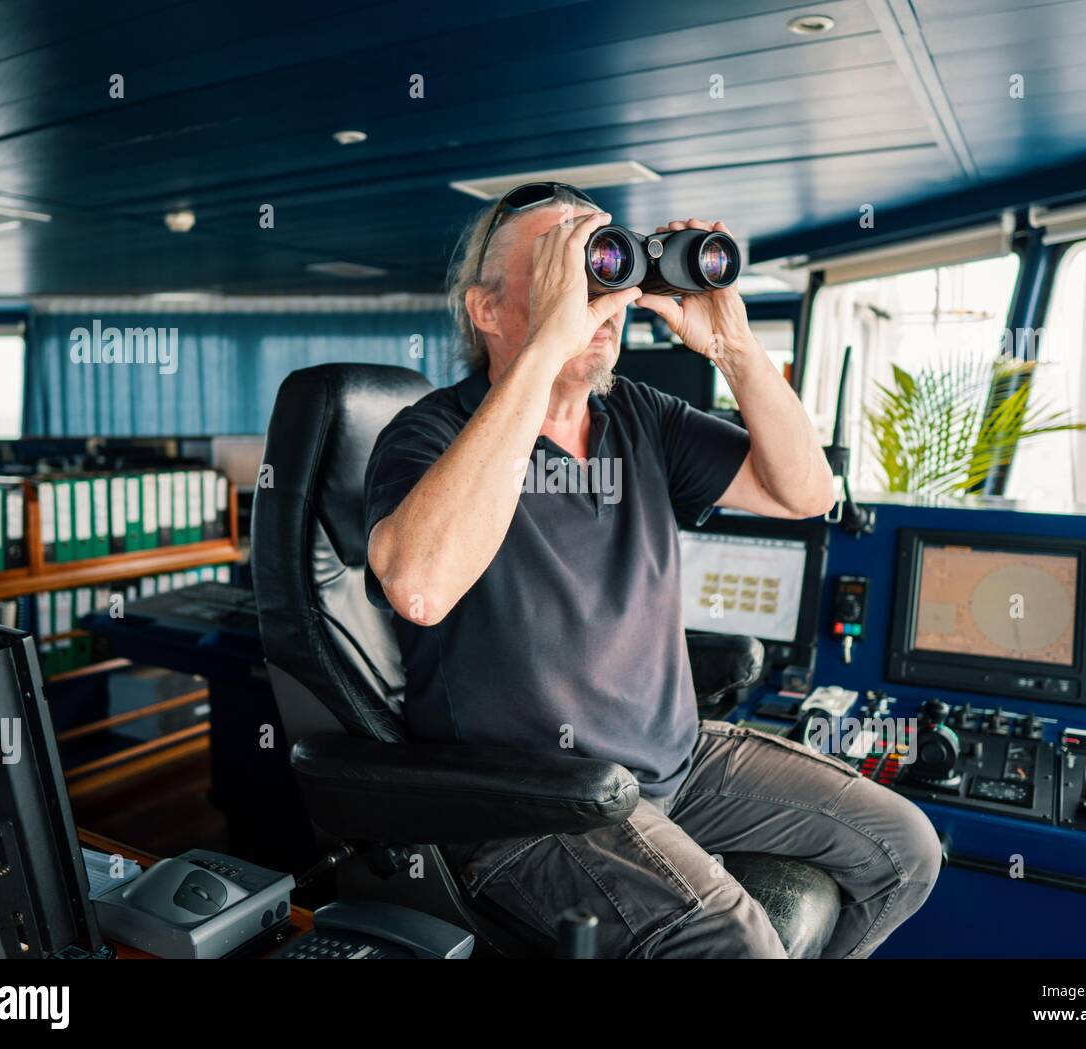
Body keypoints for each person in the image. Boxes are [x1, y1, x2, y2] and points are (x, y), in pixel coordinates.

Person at [362, 183, 940, 957]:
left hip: (676, 762)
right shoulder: (429, 433)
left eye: (598, 264)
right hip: (533, 802)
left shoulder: (639, 416)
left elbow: (806, 492)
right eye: (560, 272)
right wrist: (544, 355)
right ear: (488, 311)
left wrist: (732, 343)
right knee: (746, 945)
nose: (594, 297)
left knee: (905, 848)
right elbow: (419, 585)